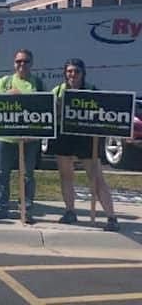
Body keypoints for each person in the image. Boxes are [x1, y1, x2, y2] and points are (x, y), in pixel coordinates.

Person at [48, 58, 119, 231]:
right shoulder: (57, 91)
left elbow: (103, 113)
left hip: (86, 138)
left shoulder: (92, 91)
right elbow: (48, 112)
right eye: (69, 71)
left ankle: (111, 217)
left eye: (76, 71)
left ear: (83, 73)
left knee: (96, 177)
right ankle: (70, 211)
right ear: (65, 73)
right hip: (63, 136)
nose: (73, 75)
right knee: (66, 176)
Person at [0, 49, 45, 223]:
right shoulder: (5, 82)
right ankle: (0, 207)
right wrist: (8, 95)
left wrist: (36, 133)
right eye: (18, 61)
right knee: (1, 174)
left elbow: (44, 109)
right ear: (14, 63)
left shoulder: (37, 83)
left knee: (27, 175)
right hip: (5, 138)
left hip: (29, 139)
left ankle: (26, 209)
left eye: (25, 61)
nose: (21, 64)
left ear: (31, 63)